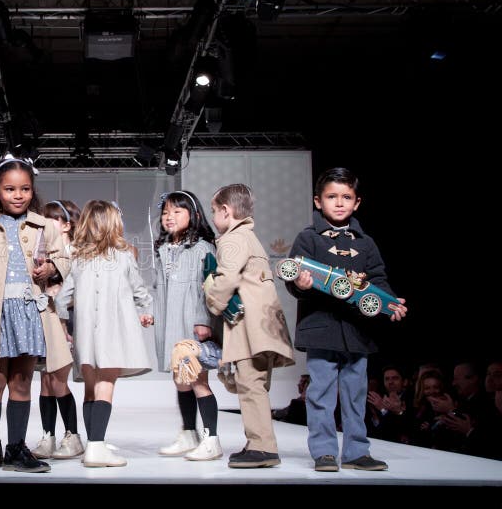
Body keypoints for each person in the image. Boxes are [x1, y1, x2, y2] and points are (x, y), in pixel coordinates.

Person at [0, 157, 71, 474]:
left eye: (25, 189)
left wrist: (51, 268)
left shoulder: (45, 226)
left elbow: (63, 259)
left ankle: (16, 448)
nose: (18, 195)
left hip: (29, 312)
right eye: (10, 189)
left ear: (32, 190)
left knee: (22, 381)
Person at [286, 167, 407, 472]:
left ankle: (356, 452)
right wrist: (300, 284)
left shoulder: (366, 243)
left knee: (356, 394)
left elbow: (378, 278)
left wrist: (391, 302)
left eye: (346, 197)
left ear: (357, 202)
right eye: (332, 197)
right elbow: (293, 277)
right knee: (321, 393)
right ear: (318, 201)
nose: (339, 203)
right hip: (321, 329)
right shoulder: (308, 238)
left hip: (357, 331)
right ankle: (324, 452)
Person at [204, 183, 296, 468]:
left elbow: (228, 279)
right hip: (264, 326)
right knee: (255, 384)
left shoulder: (233, 239)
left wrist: (211, 293)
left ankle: (262, 447)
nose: (213, 217)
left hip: (250, 327)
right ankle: (259, 442)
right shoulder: (249, 236)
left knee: (250, 384)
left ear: (226, 211)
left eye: (214, 211)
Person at [55, 200, 153, 467]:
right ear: (114, 224)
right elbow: (139, 290)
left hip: (86, 336)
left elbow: (62, 300)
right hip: (114, 332)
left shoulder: (78, 259)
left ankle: (93, 444)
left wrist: (63, 328)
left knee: (90, 390)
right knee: (105, 387)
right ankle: (97, 449)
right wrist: (147, 310)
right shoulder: (124, 256)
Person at [151, 191, 222, 461]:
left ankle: (211, 439)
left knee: (197, 379)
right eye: (165, 212)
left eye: (177, 211)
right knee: (181, 379)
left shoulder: (203, 248)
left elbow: (209, 288)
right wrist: (152, 313)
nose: (169, 217)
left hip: (192, 321)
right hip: (170, 321)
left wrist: (203, 320)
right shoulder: (163, 249)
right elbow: (158, 287)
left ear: (193, 215)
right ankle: (189, 433)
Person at [31, 199, 85, 460]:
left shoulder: (76, 252)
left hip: (67, 319)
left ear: (66, 225)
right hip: (45, 317)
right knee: (44, 380)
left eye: (52, 219)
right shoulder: (42, 251)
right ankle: (48, 436)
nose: (45, 223)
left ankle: (73, 436)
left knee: (58, 379)